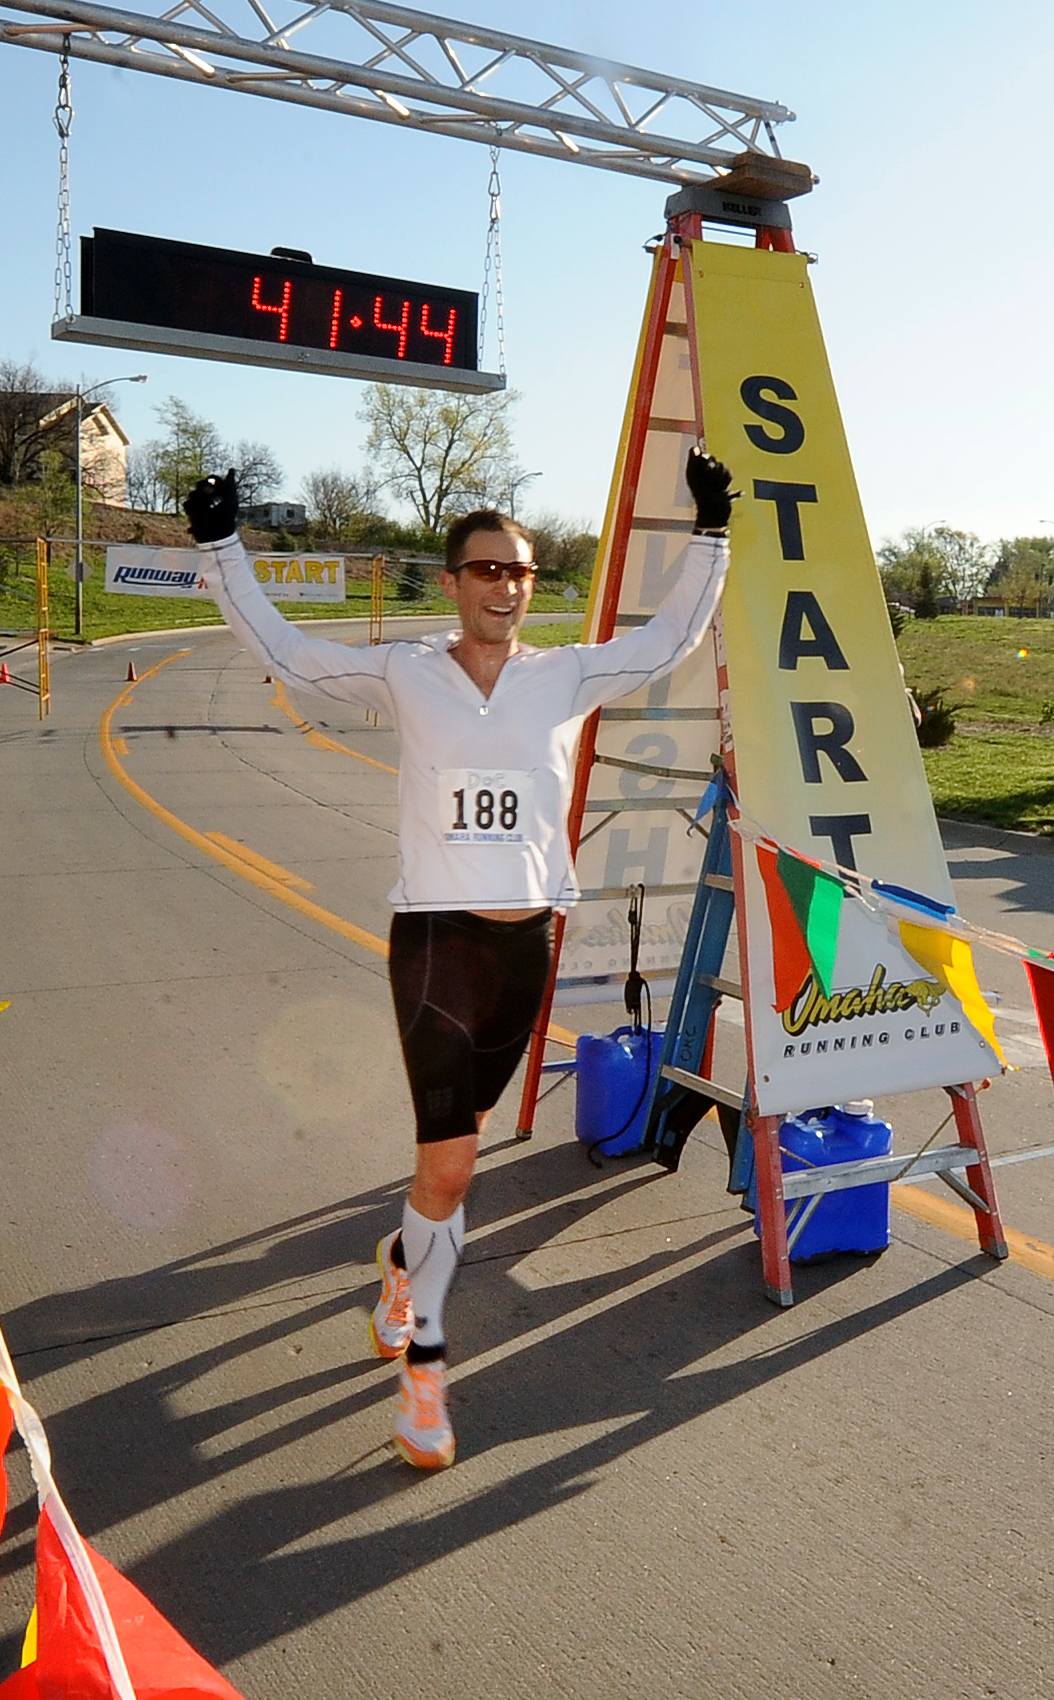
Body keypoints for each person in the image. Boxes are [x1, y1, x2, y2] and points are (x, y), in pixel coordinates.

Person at [184, 453, 735, 1468]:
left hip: (524, 945)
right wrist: (222, 547)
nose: (505, 586)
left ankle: (403, 1256)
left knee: (451, 1159)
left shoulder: (564, 676)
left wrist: (712, 532)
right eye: (486, 569)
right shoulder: (407, 672)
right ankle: (425, 1377)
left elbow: (669, 640)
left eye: (519, 571)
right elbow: (291, 655)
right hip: (436, 941)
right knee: (451, 1164)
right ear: (452, 581)